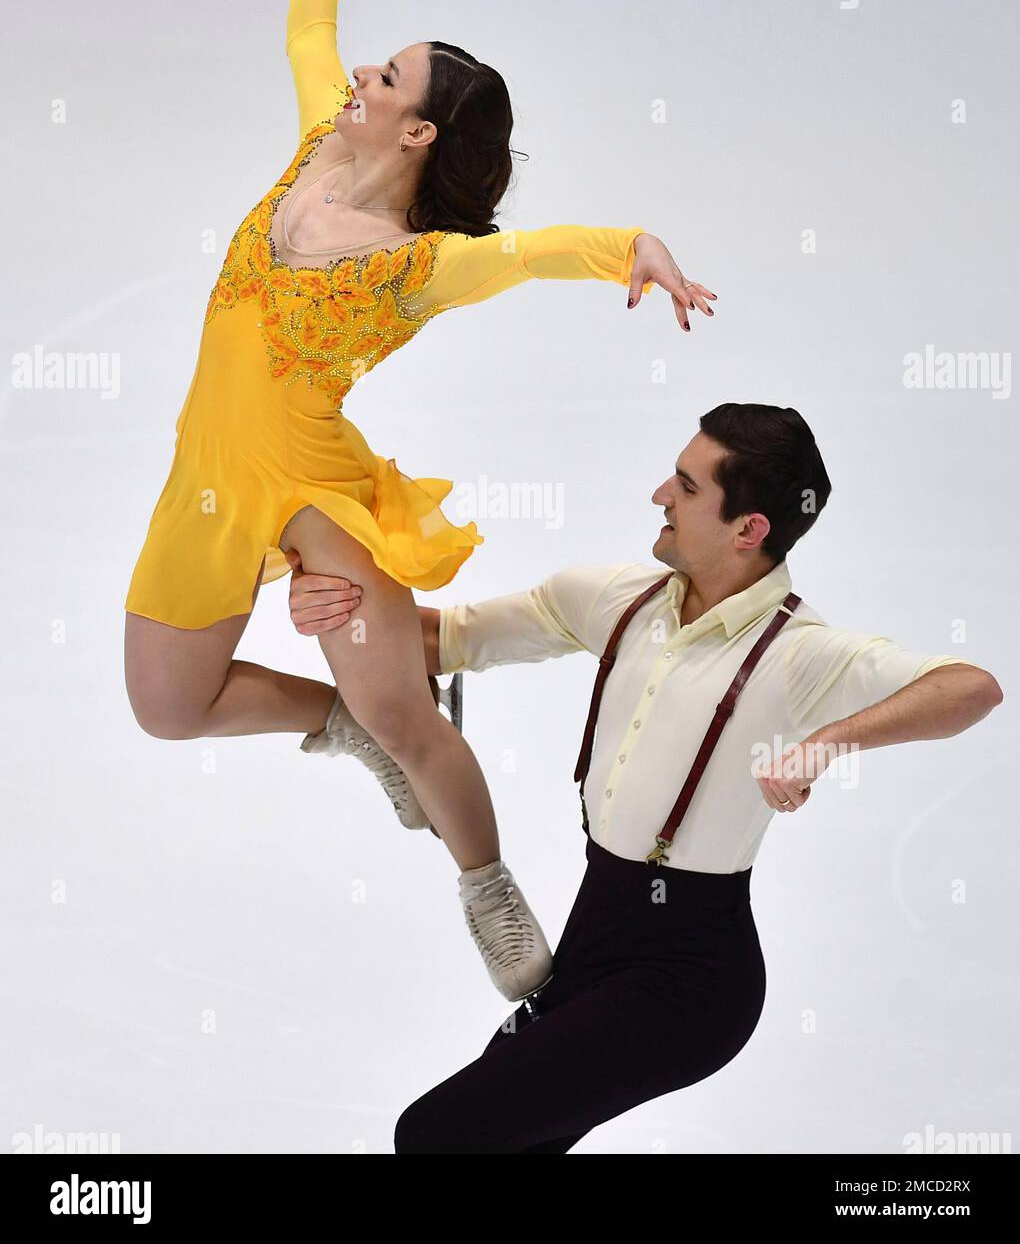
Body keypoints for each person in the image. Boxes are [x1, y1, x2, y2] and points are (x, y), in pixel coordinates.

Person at [122, 0, 717, 1002]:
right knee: (166, 706)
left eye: (387, 81)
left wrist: (635, 247)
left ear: (420, 132)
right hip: (202, 480)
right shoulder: (316, 142)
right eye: (377, 69)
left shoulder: (422, 264)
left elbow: (540, 252)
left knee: (409, 709)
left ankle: (488, 886)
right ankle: (346, 727)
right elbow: (310, 34)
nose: (361, 81)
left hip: (316, 494)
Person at [285, 403, 1003, 1153]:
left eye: (687, 487)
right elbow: (434, 641)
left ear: (748, 529)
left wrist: (827, 742)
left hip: (692, 980)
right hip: (597, 932)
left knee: (439, 1135)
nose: (660, 493)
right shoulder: (616, 599)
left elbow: (969, 688)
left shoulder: (801, 653)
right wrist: (341, 605)